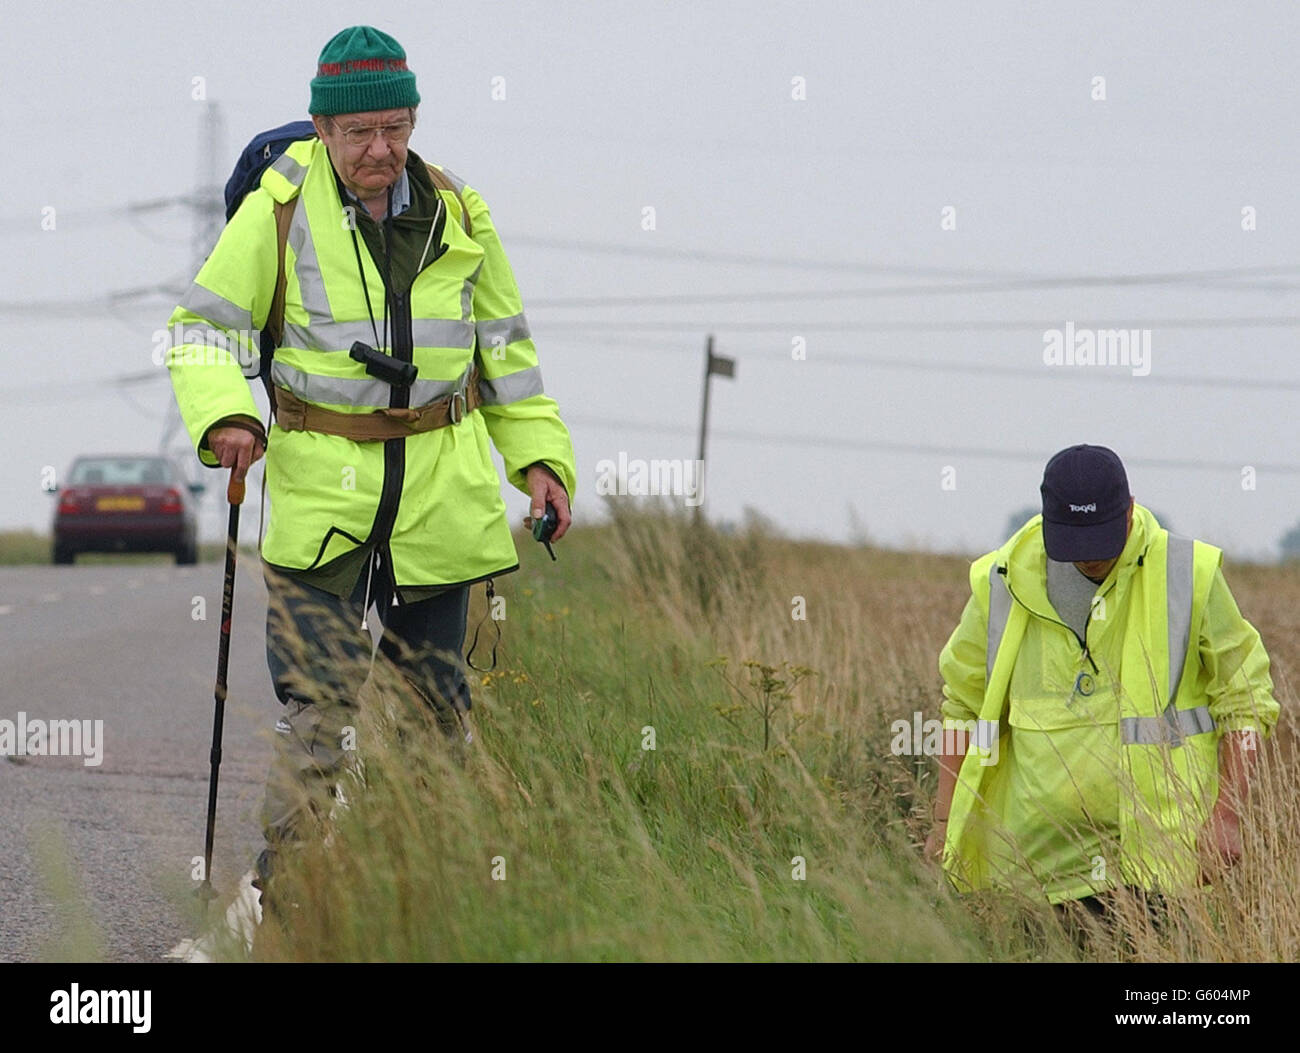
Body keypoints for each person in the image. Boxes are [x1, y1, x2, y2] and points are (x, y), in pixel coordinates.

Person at [165, 25, 576, 914]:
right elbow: (199, 328)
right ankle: (288, 899)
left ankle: (424, 898)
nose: (381, 149)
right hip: (323, 501)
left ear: (414, 118)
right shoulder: (275, 208)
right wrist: (228, 414)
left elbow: (506, 350)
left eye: (394, 127)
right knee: (321, 714)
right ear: (322, 128)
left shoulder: (458, 210)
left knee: (436, 713)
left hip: (439, 502)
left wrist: (540, 461)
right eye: (360, 133)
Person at [925, 445, 1277, 918]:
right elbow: (962, 709)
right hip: (1033, 870)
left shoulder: (1187, 574)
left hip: (1159, 866)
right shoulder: (1001, 582)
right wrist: (944, 820)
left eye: (1101, 539)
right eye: (1074, 541)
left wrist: (1228, 818)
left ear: (1130, 510)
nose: (1089, 557)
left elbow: (1246, 699)